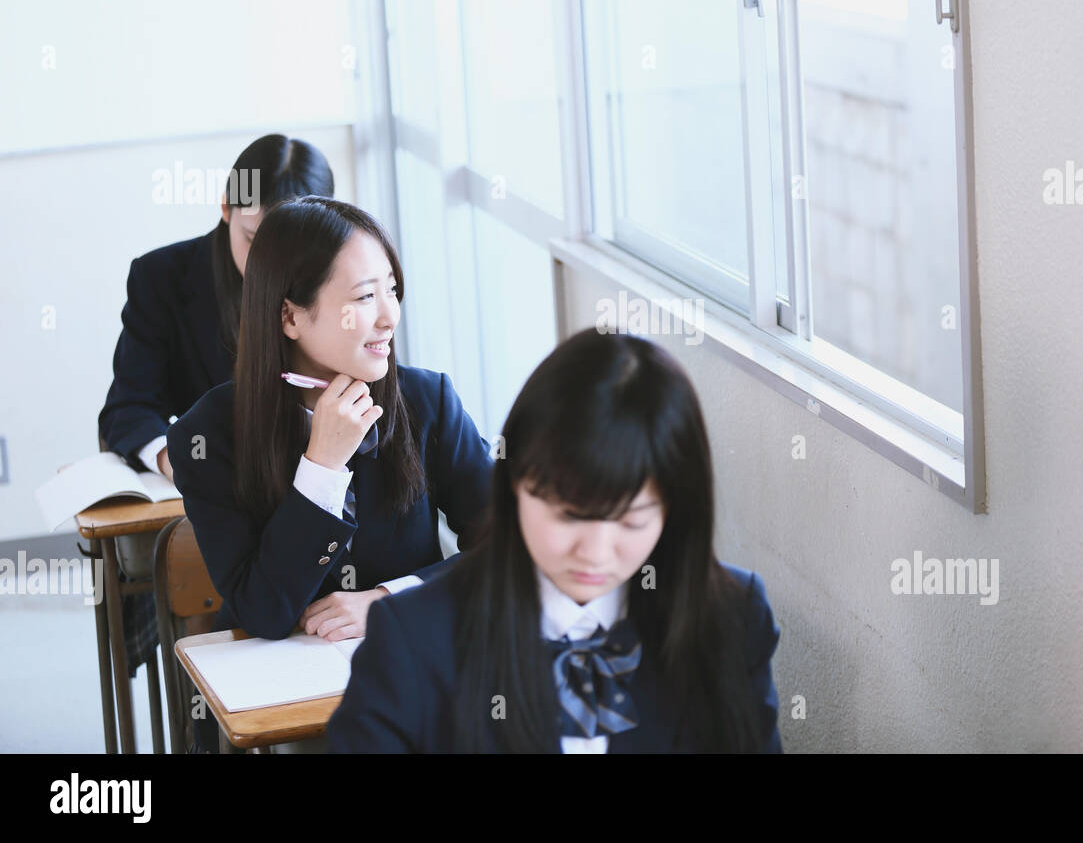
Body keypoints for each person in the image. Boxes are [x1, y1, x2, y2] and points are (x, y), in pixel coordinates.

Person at [328, 328, 782, 753]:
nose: (596, 553)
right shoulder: (414, 639)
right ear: (514, 485)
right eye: (569, 517)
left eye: (632, 521)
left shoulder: (732, 619)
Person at [167, 196, 495, 645]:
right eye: (364, 296)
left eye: (392, 290)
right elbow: (263, 612)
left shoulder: (427, 399)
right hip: (277, 692)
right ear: (290, 316)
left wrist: (390, 600)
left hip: (407, 667)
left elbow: (509, 544)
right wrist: (321, 468)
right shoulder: (207, 435)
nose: (389, 316)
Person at [96, 134, 334, 680]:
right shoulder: (162, 278)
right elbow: (127, 406)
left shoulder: (332, 284)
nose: (270, 266)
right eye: (254, 238)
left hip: (313, 491)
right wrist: (172, 457)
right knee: (213, 631)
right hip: (204, 507)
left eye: (291, 250)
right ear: (226, 209)